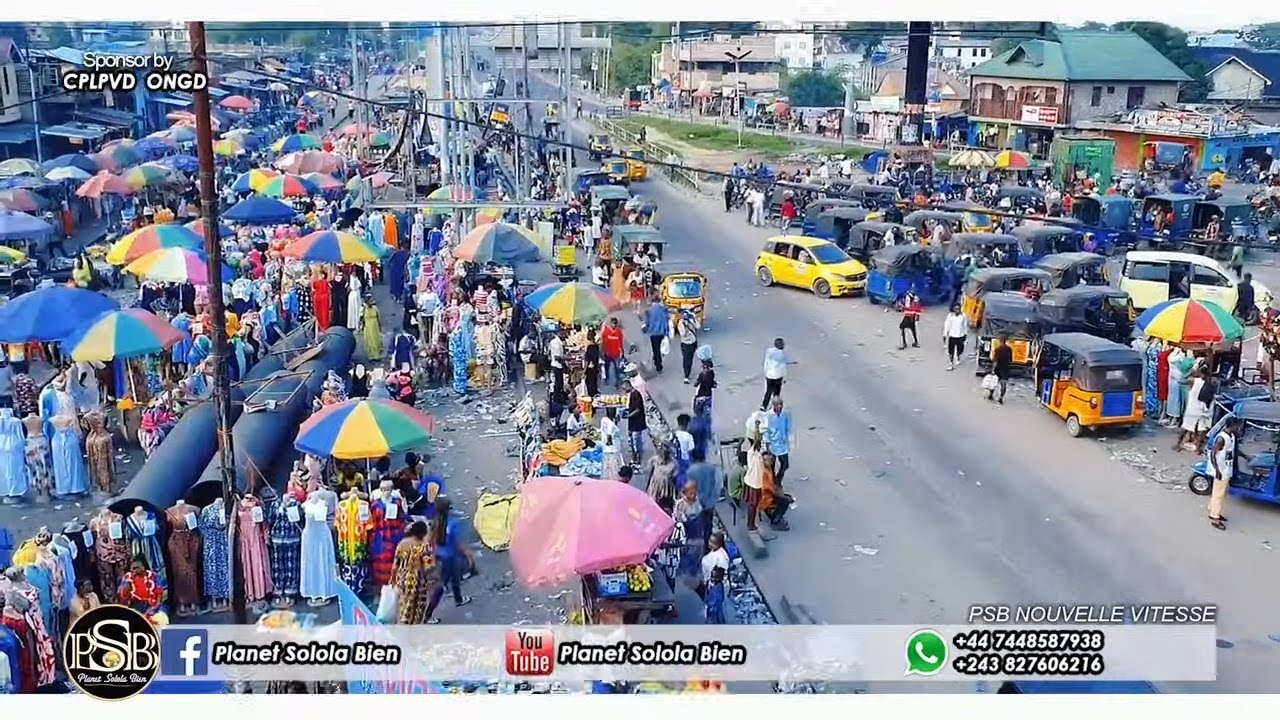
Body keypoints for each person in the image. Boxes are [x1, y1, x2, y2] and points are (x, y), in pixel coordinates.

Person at [424, 497, 472, 622]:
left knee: (453, 578)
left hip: (439, 556)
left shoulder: (434, 522)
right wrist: (467, 554)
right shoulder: (453, 523)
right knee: (441, 586)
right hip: (450, 556)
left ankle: (458, 599)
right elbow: (457, 543)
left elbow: (429, 540)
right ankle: (427, 615)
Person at [1207, 417, 1241, 531]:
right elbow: (1213, 454)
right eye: (1238, 426)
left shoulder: (1232, 436)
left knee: (1219, 492)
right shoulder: (1221, 438)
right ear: (1232, 425)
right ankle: (1215, 518)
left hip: (1226, 468)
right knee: (1219, 495)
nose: (1239, 428)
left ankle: (1213, 511)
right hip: (1221, 470)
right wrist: (1217, 471)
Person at [1175, 367, 1211, 453]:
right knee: (1201, 428)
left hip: (1192, 408)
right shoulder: (1209, 383)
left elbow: (1181, 381)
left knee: (1186, 427)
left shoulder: (1194, 381)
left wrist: (1190, 373)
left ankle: (1178, 445)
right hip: (1203, 409)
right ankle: (1198, 448)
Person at [765, 395, 794, 484]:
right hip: (773, 444)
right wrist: (767, 444)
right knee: (771, 466)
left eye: (781, 404)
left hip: (783, 444)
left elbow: (789, 427)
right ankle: (773, 483)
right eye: (777, 405)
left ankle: (778, 480)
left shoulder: (785, 413)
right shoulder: (769, 415)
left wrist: (790, 442)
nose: (780, 407)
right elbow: (766, 430)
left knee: (785, 465)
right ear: (774, 405)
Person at [624, 379, 648, 465]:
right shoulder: (631, 394)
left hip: (638, 423)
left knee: (637, 443)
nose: (624, 390)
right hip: (632, 422)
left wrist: (628, 415)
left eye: (624, 388)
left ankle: (638, 461)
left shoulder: (636, 395)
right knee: (632, 441)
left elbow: (638, 410)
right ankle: (634, 459)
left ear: (628, 386)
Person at [642, 300, 670, 373]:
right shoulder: (663, 309)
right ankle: (658, 361)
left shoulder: (649, 310)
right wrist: (667, 332)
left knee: (655, 349)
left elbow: (647, 322)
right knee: (660, 348)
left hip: (653, 333)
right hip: (661, 333)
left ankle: (658, 365)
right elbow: (666, 321)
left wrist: (645, 329)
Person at [985, 334, 1013, 404]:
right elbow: (1011, 360)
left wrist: (993, 370)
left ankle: (991, 395)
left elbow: (995, 361)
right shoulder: (1009, 349)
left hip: (998, 369)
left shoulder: (998, 349)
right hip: (1005, 369)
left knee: (993, 383)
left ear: (1000, 341)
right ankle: (1001, 398)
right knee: (1003, 384)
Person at [761, 337, 787, 410]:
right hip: (778, 376)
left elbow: (766, 363)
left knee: (768, 391)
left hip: (769, 375)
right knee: (777, 392)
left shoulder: (769, 352)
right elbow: (783, 367)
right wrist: (784, 377)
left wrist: (766, 373)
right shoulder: (782, 354)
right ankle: (775, 406)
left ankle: (764, 405)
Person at [675, 311, 699, 383]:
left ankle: (688, 371)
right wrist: (685, 326)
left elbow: (698, 326)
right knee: (686, 359)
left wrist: (694, 319)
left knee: (690, 359)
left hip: (693, 342)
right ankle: (686, 375)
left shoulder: (692, 320)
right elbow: (682, 334)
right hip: (685, 343)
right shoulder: (681, 323)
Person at [601, 317, 625, 388]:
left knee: (617, 368)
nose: (614, 325)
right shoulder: (606, 332)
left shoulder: (619, 332)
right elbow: (603, 342)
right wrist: (603, 351)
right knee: (607, 367)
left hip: (616, 354)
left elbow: (621, 343)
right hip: (608, 353)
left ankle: (617, 383)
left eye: (615, 324)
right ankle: (607, 378)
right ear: (610, 323)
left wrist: (622, 352)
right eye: (613, 323)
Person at [943, 304, 969, 370]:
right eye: (956, 309)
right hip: (952, 335)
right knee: (951, 350)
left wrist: (965, 334)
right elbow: (947, 325)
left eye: (958, 309)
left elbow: (965, 325)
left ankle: (958, 356)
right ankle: (951, 363)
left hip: (960, 335)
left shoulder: (963, 316)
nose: (957, 310)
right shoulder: (950, 316)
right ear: (953, 309)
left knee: (960, 349)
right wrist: (945, 334)